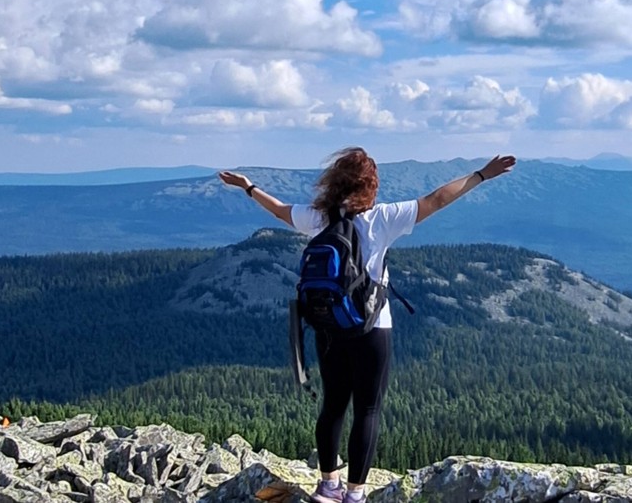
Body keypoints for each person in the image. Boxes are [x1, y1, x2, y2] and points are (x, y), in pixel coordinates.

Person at [218, 147, 516, 503]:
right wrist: (481, 174)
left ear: (334, 182)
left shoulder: (319, 218)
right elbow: (436, 200)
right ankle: (355, 493)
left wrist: (249, 187)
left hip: (329, 327)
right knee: (368, 409)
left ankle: (328, 485)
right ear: (370, 185)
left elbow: (282, 211)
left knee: (333, 405)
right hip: (373, 328)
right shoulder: (382, 218)